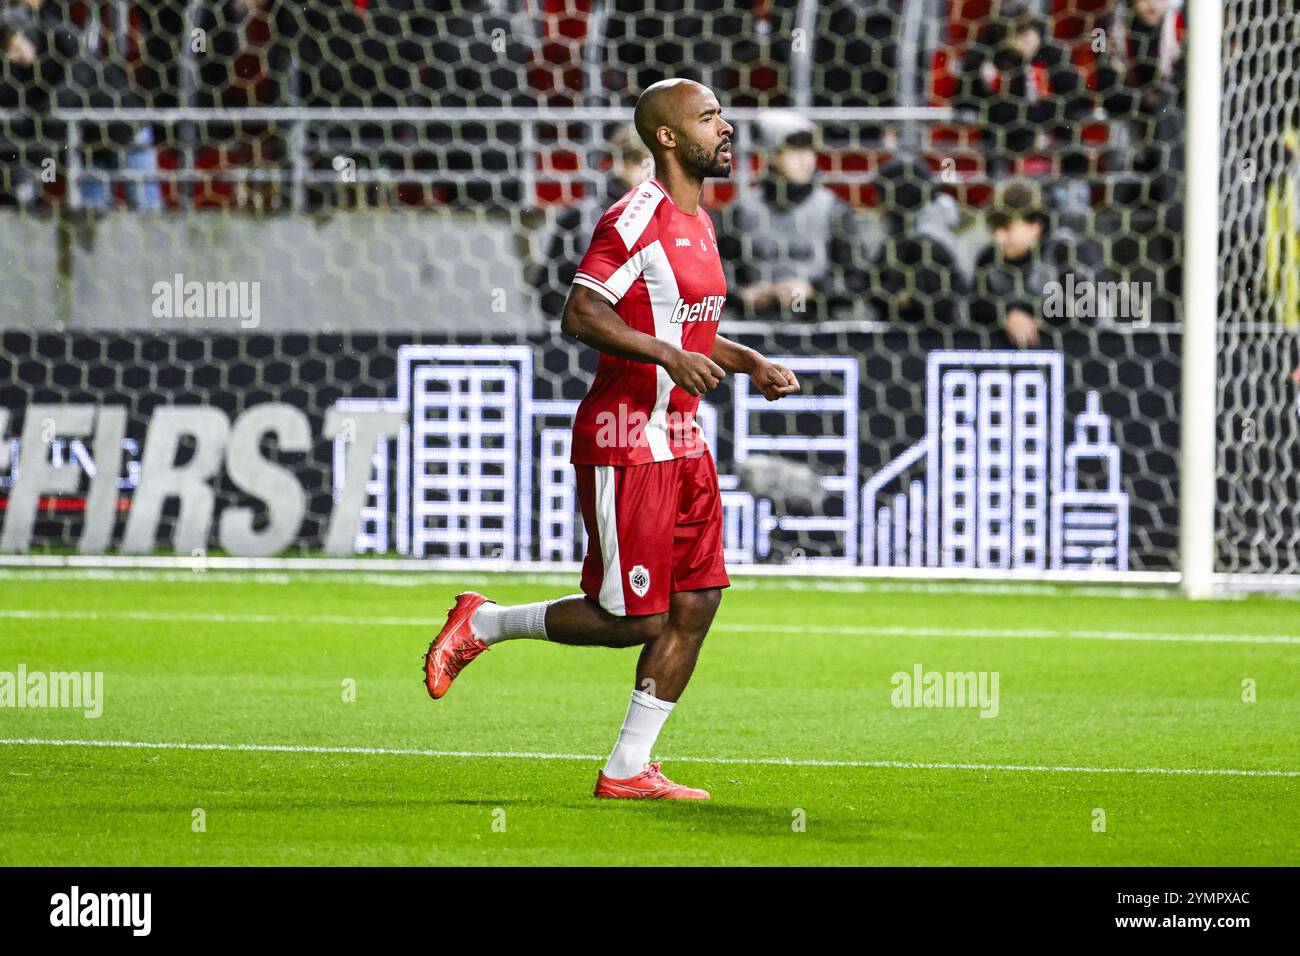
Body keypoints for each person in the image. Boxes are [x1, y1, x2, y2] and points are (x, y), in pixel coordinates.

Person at [423, 79, 800, 800]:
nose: (726, 130)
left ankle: (628, 769)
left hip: (682, 441)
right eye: (709, 118)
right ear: (667, 137)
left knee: (698, 603)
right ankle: (486, 622)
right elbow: (580, 313)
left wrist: (745, 361)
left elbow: (686, 328)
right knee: (635, 617)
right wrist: (665, 356)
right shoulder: (634, 219)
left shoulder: (701, 223)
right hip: (626, 442)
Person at [715, 110, 866, 321]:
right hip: (755, 327)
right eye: (794, 151)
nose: (806, 160)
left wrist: (813, 290)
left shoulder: (834, 209)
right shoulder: (742, 209)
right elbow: (716, 273)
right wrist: (741, 294)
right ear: (771, 155)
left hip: (817, 327)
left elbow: (857, 279)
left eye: (809, 150)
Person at [531, 123, 653, 321]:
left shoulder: (676, 216)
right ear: (614, 161)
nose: (646, 168)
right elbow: (549, 291)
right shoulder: (581, 219)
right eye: (633, 157)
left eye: (652, 160)